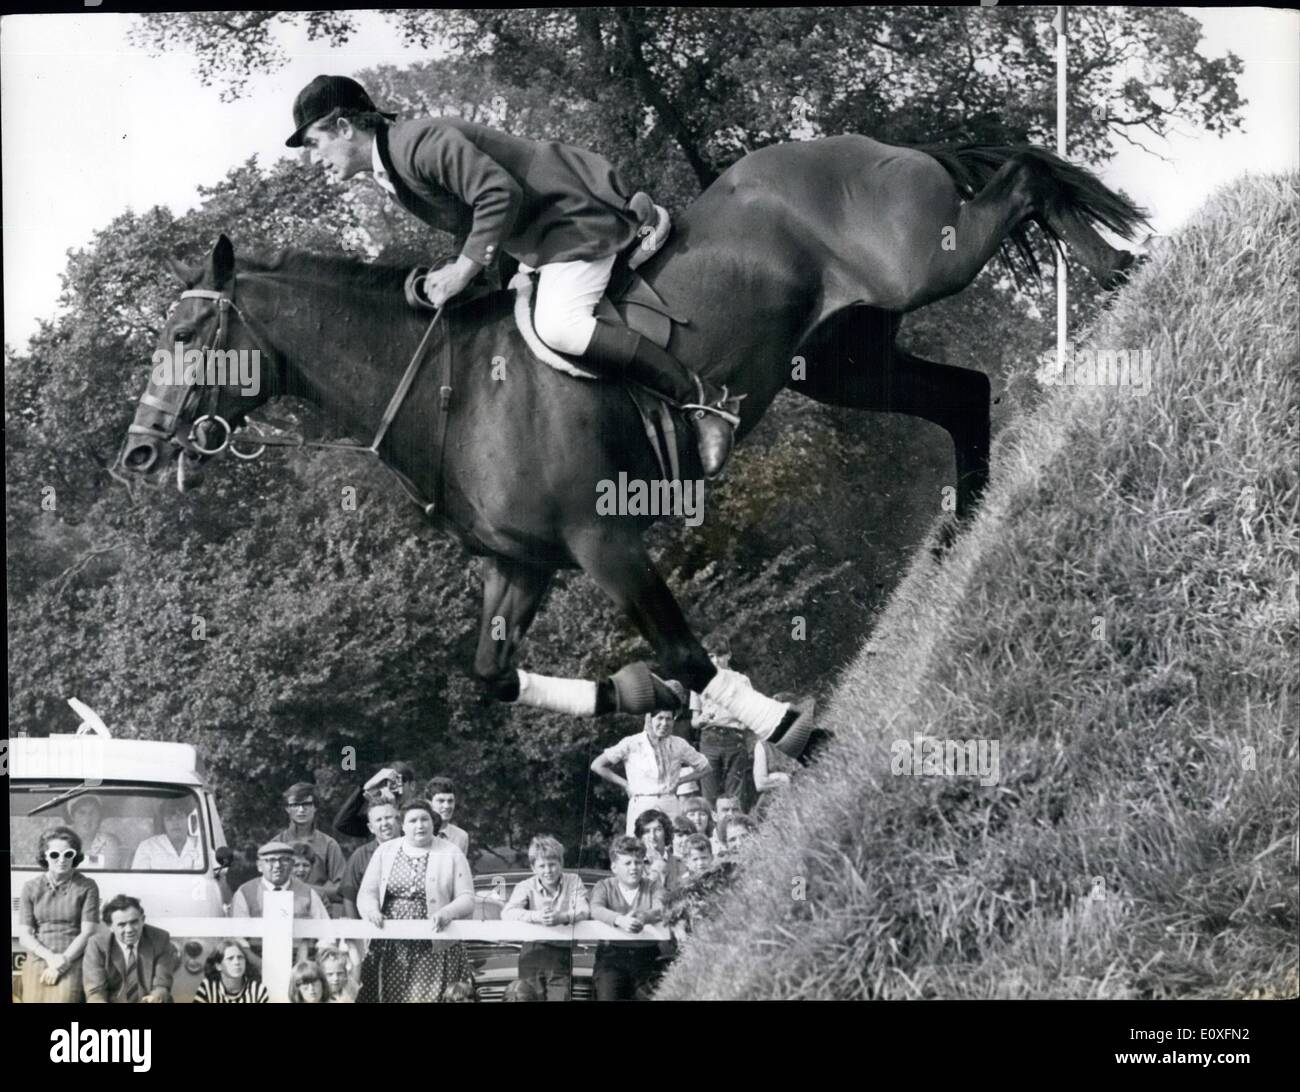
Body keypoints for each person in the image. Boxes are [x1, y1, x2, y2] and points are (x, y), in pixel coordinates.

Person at [285, 75, 742, 479]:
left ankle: (704, 401)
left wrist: (466, 268)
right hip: (535, 235)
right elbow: (472, 218)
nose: (312, 159)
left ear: (344, 127)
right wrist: (453, 269)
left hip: (571, 217)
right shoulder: (391, 166)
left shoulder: (417, 145)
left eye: (312, 143)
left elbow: (497, 193)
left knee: (561, 327)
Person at [355, 799, 477, 1003]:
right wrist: (372, 911)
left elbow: (467, 898)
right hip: (390, 946)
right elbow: (367, 893)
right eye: (412, 821)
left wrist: (446, 913)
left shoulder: (450, 851)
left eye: (424, 819)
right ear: (402, 825)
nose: (419, 825)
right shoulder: (385, 851)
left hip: (434, 947)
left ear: (432, 822)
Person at [501, 834, 590, 1001]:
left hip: (560, 952)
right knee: (528, 997)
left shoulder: (573, 881)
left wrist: (562, 917)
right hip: (532, 952)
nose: (548, 871)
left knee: (560, 997)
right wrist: (537, 916)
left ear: (561, 864)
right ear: (533, 868)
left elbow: (584, 909)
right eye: (542, 866)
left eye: (552, 865)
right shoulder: (525, 886)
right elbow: (507, 913)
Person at [591, 710, 710, 835]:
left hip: (669, 801)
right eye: (660, 718)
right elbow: (597, 765)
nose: (664, 723)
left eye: (669, 719)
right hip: (642, 801)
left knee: (675, 842)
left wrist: (680, 781)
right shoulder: (632, 743)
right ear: (649, 718)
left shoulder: (678, 744)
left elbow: (705, 768)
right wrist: (626, 785)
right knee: (637, 846)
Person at [17, 826, 100, 1002]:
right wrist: (50, 958)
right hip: (39, 958)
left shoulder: (87, 886)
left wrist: (62, 963)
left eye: (68, 854)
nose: (61, 860)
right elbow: (24, 935)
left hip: (72, 959)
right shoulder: (30, 887)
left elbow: (88, 932)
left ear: (75, 855)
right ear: (45, 856)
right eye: (55, 854)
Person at [588, 835, 666, 1001]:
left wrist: (644, 917)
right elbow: (595, 909)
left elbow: (661, 908)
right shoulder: (604, 886)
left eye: (638, 862)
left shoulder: (652, 886)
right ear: (614, 867)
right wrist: (619, 920)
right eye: (628, 863)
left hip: (647, 958)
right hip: (611, 958)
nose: (634, 868)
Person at [690, 634, 758, 813]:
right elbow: (694, 722)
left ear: (729, 655)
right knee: (709, 795)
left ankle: (737, 834)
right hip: (709, 740)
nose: (716, 661)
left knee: (735, 794)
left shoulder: (741, 680)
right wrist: (701, 720)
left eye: (720, 655)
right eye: (711, 657)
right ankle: (714, 836)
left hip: (734, 738)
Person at [83, 895, 176, 1003]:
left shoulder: (160, 938)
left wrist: (156, 997)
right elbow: (95, 992)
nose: (129, 930)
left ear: (143, 920)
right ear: (110, 926)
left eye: (134, 922)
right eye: (122, 925)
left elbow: (162, 984)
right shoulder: (96, 945)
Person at [274, 783, 347, 917]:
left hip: (320, 912)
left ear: (315, 807)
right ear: (287, 809)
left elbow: (342, 890)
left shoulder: (329, 844)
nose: (301, 810)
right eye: (295, 805)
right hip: (282, 913)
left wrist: (305, 890)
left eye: (307, 804)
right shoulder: (277, 844)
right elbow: (267, 886)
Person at [340, 800, 400, 919]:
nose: (384, 823)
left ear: (399, 821)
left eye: (388, 817)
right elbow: (349, 898)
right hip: (371, 927)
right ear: (371, 828)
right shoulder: (360, 855)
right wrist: (356, 934)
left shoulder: (414, 850)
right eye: (378, 820)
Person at [332, 761, 419, 840]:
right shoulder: (377, 818)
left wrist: (394, 810)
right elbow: (342, 824)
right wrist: (365, 788)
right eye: (388, 781)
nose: (394, 786)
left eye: (399, 781)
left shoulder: (422, 815)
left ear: (412, 785)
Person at [131, 796, 202, 870]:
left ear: (188, 820)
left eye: (180, 817)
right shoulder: (147, 847)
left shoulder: (201, 846)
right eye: (169, 818)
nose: (175, 823)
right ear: (164, 823)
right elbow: (138, 879)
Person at [193, 941, 269, 1003]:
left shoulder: (258, 990)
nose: (237, 962)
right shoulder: (208, 987)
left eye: (240, 957)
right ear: (218, 966)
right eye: (230, 958)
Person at [635, 809, 688, 892]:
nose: (652, 836)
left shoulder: (681, 864)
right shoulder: (634, 865)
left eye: (658, 830)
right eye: (647, 831)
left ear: (666, 832)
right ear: (641, 837)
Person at [66, 793, 122, 870]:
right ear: (72, 816)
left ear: (99, 816)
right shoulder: (60, 839)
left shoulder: (108, 842)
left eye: (92, 813)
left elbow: (109, 869)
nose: (87, 819)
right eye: (82, 813)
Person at [425, 776, 469, 855]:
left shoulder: (461, 837)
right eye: (441, 801)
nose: (447, 806)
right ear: (429, 803)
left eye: (450, 801)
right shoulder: (420, 832)